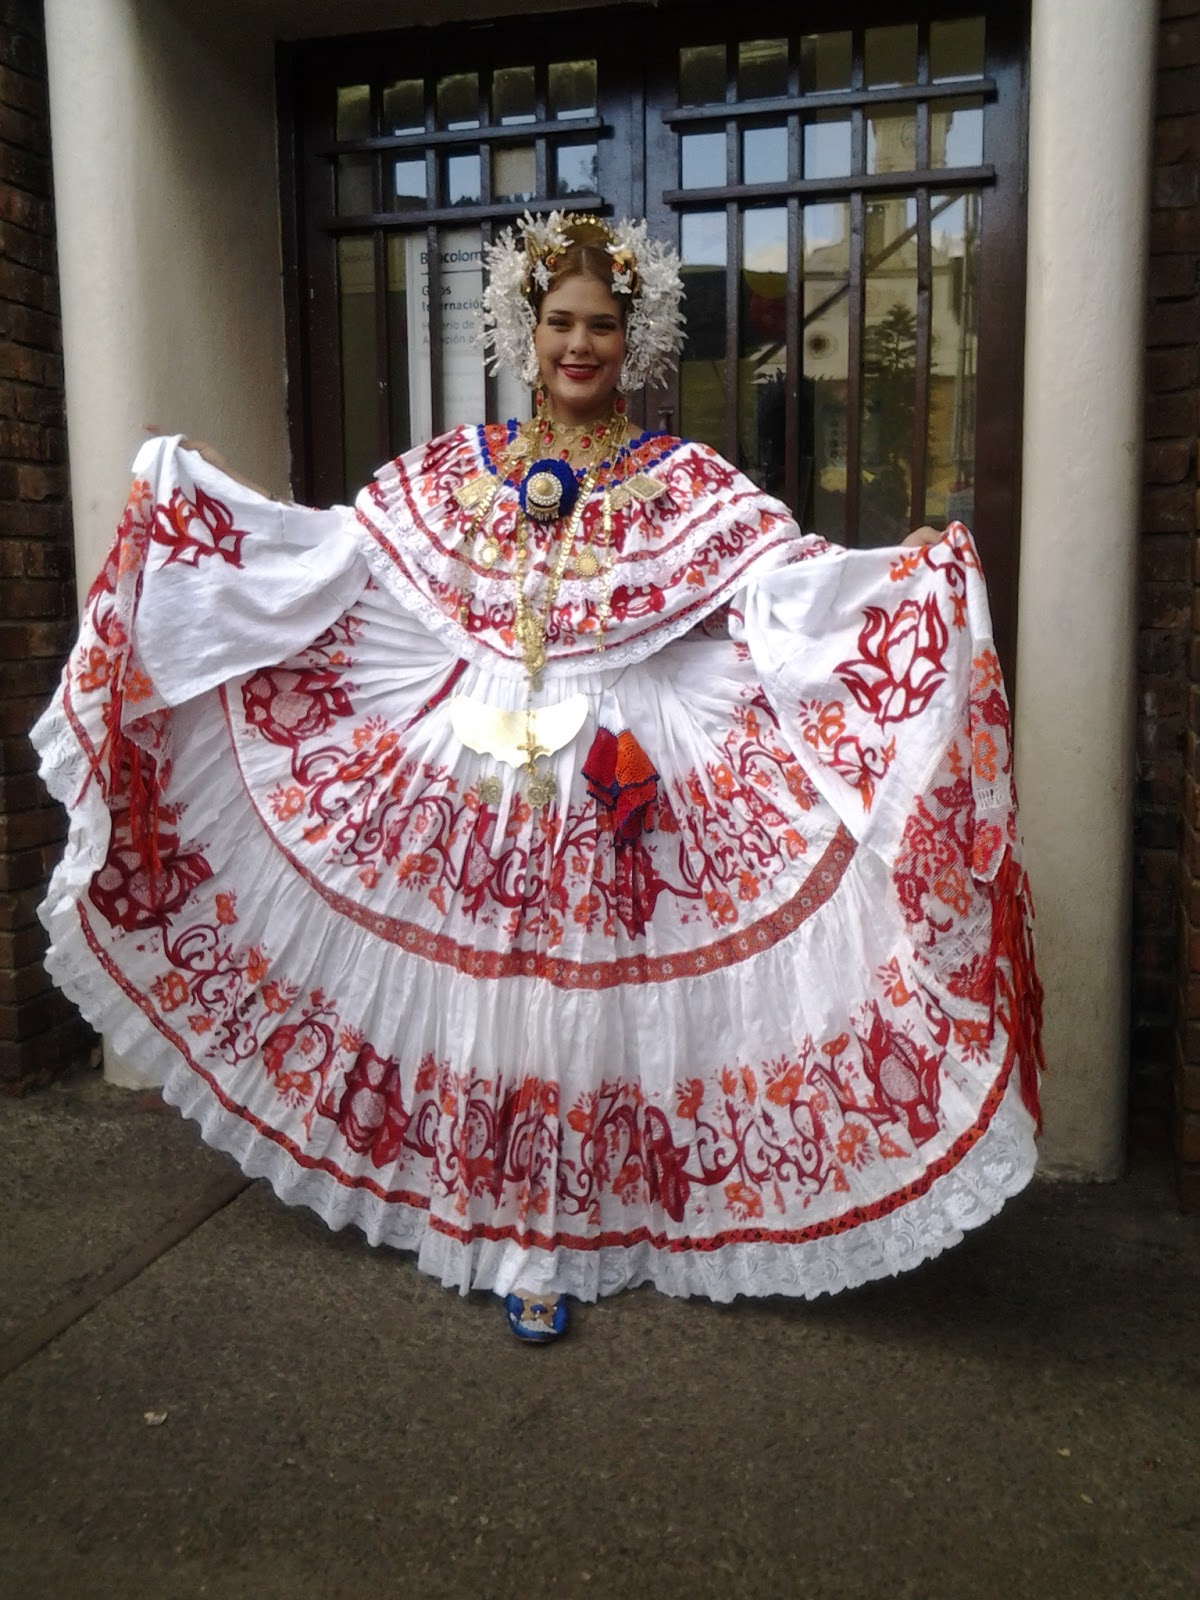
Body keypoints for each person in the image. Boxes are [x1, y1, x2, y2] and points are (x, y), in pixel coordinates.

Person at [33, 212, 1042, 1342]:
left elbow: (781, 590)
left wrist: (899, 575)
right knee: (498, 1009)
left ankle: (567, 1238)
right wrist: (206, 489)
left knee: (581, 1012)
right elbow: (336, 556)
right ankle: (508, 1231)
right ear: (528, 329)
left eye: (601, 325)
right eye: (560, 321)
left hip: (620, 789)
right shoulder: (456, 469)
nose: (579, 345)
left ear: (634, 338)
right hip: (477, 790)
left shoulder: (685, 481)